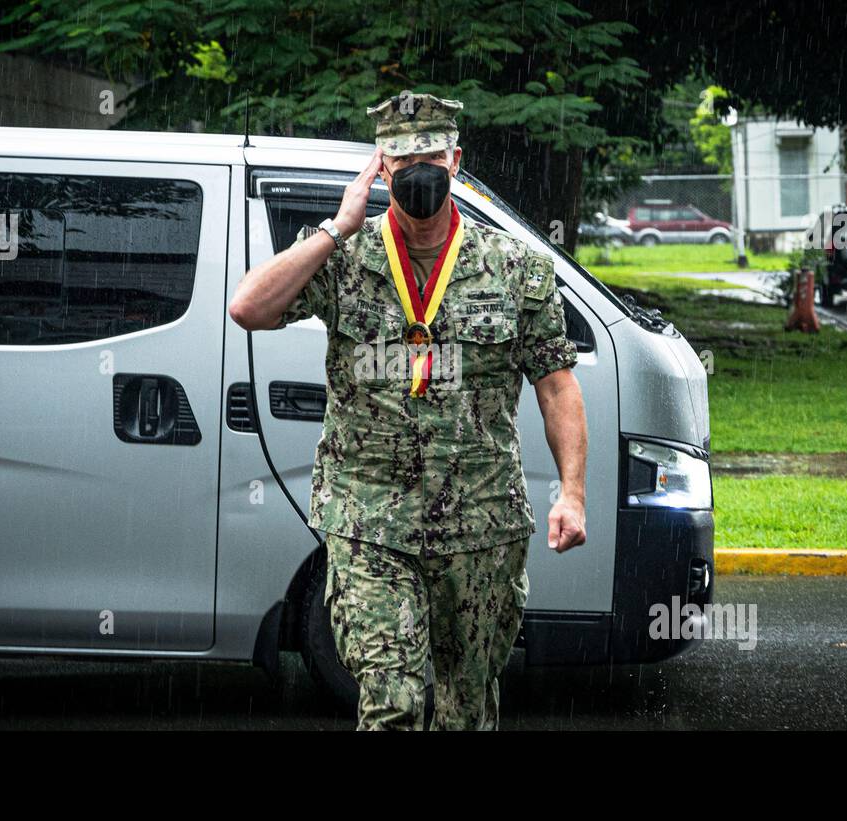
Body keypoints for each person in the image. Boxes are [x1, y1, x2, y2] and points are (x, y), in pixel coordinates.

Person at [228, 91, 588, 730]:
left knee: (464, 708)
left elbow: (556, 385)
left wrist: (573, 493)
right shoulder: (344, 259)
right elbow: (248, 308)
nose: (418, 170)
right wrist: (336, 227)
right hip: (368, 517)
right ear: (381, 168)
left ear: (455, 161)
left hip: (481, 522)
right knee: (390, 700)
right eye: (402, 159)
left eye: (431, 157)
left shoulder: (515, 268)